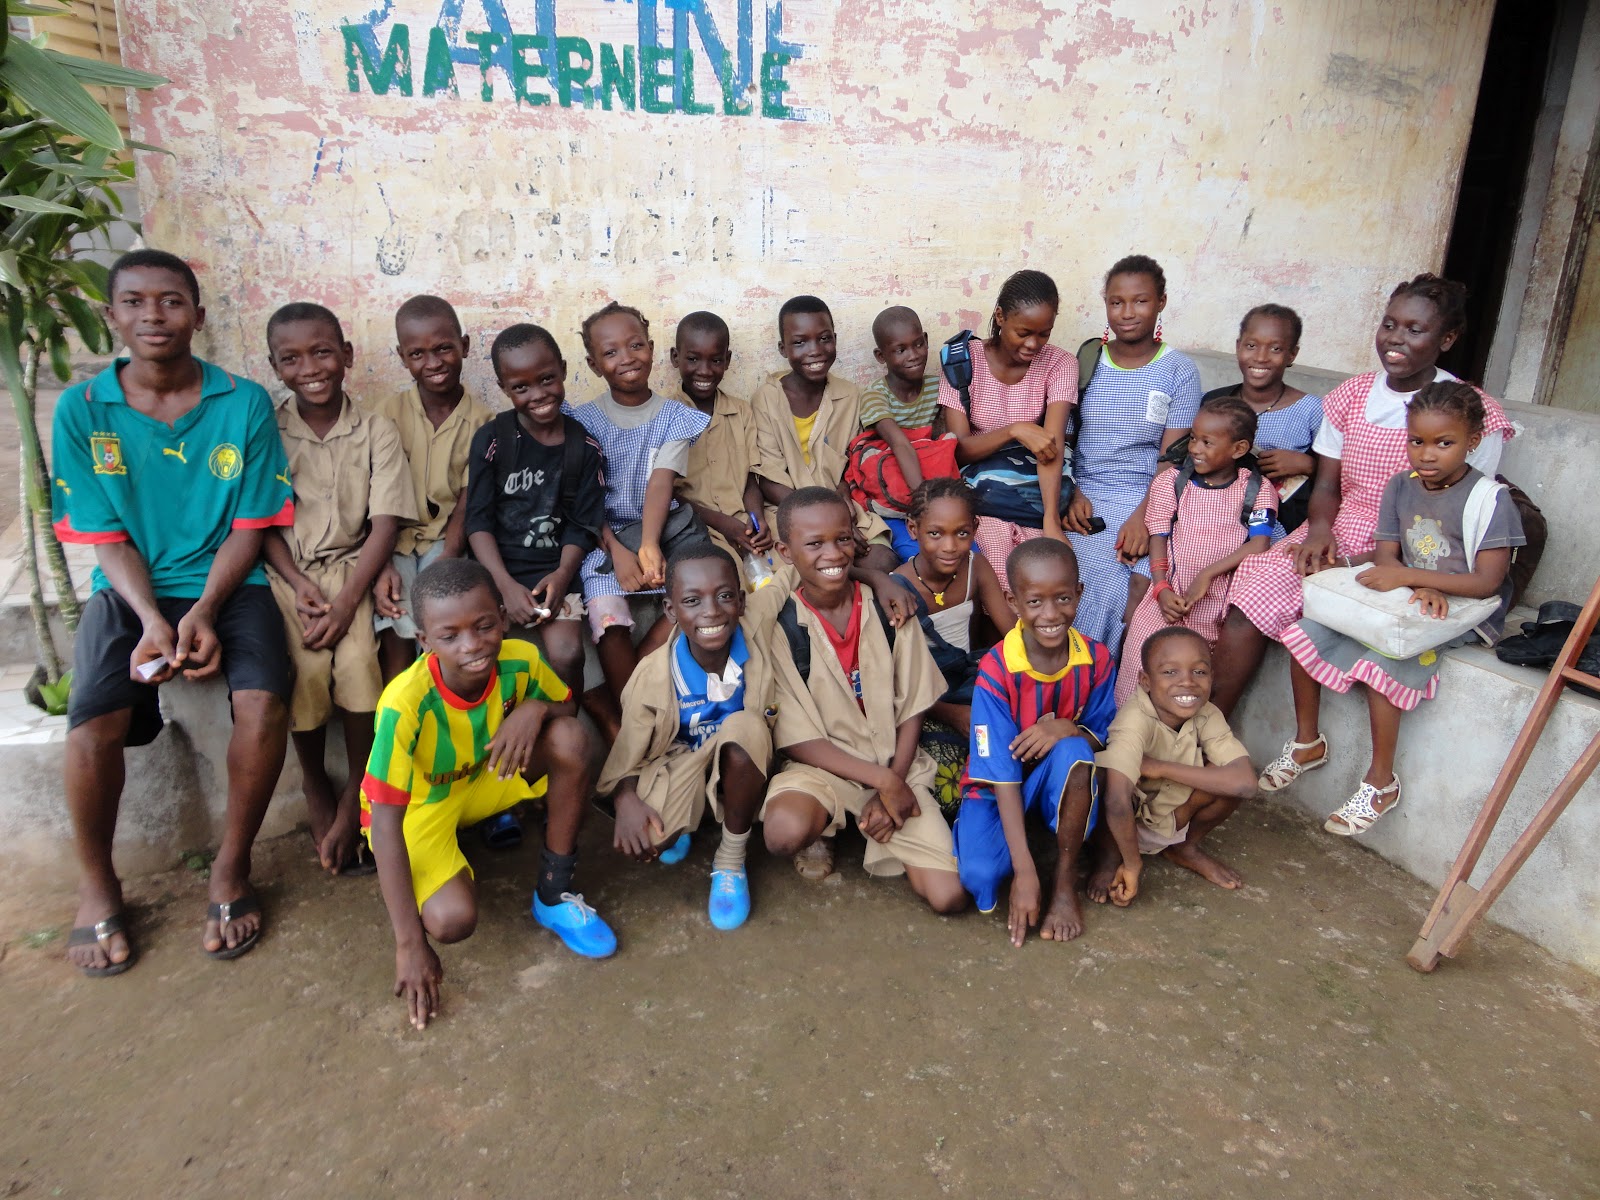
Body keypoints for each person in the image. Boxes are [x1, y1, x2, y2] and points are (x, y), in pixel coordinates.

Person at [52, 249, 294, 974]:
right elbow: (106, 537)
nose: (153, 315)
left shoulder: (242, 402)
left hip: (230, 581)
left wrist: (207, 609)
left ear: (198, 314)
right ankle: (98, 884)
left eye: (171, 301)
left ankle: (230, 867)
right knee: (92, 719)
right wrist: (154, 619)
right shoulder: (82, 408)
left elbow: (252, 524)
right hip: (131, 588)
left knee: (264, 701)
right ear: (111, 315)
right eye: (134, 301)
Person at [1210, 273, 1517, 716]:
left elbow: (1466, 508)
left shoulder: (1469, 411)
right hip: (1342, 528)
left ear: (1447, 338)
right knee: (1255, 581)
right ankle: (1212, 729)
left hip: (1420, 546)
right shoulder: (1352, 395)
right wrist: (1317, 531)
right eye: (1390, 324)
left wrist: (1377, 559)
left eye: (1416, 330)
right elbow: (1329, 485)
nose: (1396, 339)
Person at [1262, 383, 1526, 834]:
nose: (1427, 454)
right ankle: (1308, 741)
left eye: (1445, 443)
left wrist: (1413, 580)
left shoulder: (1490, 500)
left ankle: (1381, 782)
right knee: (1306, 630)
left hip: (1465, 608)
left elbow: (1488, 582)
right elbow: (1387, 555)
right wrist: (1408, 581)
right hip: (1410, 595)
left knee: (1386, 659)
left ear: (1473, 442)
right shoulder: (1401, 486)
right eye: (1416, 441)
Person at [362, 559, 614, 1031]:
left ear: (502, 617)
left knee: (569, 738)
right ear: (425, 643)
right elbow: (385, 819)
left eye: (483, 626)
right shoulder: (405, 702)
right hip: (423, 807)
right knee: (452, 921)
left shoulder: (521, 659)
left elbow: (567, 705)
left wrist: (537, 708)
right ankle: (447, 862)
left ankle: (554, 893)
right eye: (450, 636)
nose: (473, 645)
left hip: (485, 777)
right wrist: (408, 943)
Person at [754, 488, 968, 914]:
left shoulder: (892, 607)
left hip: (895, 761)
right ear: (785, 551)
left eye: (843, 539)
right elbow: (796, 738)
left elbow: (914, 706)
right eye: (814, 544)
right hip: (824, 768)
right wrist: (885, 785)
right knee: (783, 831)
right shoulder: (778, 624)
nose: (832, 553)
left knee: (949, 898)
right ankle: (824, 828)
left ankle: (877, 819)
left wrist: (895, 780)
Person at [261, 302, 417, 876]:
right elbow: (262, 523)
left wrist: (351, 597)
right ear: (275, 366)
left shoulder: (375, 430)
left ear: (347, 356)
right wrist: (301, 584)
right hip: (289, 573)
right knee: (302, 669)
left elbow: (384, 524)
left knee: (358, 668)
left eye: (323, 351)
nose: (311, 367)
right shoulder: (268, 432)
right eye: (292, 358)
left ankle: (357, 793)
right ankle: (313, 782)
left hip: (354, 571)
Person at [600, 543, 776, 930]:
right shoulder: (653, 677)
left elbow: (800, 575)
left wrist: (878, 578)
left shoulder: (758, 638)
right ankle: (688, 817)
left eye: (725, 596)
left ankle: (730, 861)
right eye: (692, 600)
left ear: (742, 602)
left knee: (745, 727)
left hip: (745, 762)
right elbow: (630, 752)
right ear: (670, 610)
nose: (711, 611)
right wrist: (626, 798)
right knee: (647, 837)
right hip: (687, 764)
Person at [951, 539, 1117, 946]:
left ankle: (1064, 883)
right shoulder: (997, 669)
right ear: (1013, 601)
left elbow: (1101, 731)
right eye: (1035, 601)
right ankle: (1032, 847)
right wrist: (1025, 874)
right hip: (995, 789)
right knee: (979, 877)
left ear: (1079, 593)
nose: (1050, 614)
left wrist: (1067, 727)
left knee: (1076, 751)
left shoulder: (1095, 659)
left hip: (1052, 779)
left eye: (1063, 598)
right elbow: (1001, 775)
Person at [567, 302, 711, 732]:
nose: (627, 358)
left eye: (635, 346)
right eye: (611, 353)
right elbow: (582, 499)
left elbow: (660, 484)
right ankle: (633, 714)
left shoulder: (674, 417)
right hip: (603, 533)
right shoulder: (581, 422)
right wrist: (619, 550)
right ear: (594, 365)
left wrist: (648, 544)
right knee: (606, 606)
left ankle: (651, 658)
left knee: (698, 583)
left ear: (651, 347)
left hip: (664, 525)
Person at [1064, 254, 1203, 650]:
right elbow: (1066, 439)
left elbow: (1173, 459)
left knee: (1128, 586)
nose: (1127, 313)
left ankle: (1105, 686)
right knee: (1081, 582)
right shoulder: (1086, 362)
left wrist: (1145, 517)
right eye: (1116, 302)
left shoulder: (1178, 370)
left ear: (1161, 302)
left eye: (1140, 301)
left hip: (1149, 496)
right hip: (1085, 496)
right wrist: (1071, 492)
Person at [464, 323, 605, 694]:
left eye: (546, 379)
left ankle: (565, 716)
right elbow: (477, 521)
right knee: (485, 652)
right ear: (504, 389)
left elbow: (581, 525)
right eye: (520, 388)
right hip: (496, 569)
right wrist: (504, 586)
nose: (538, 395)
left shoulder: (584, 447)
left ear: (561, 368)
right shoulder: (492, 439)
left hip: (554, 569)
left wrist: (561, 576)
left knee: (568, 652)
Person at [1115, 396, 1278, 703]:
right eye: (1193, 438)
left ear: (1238, 449)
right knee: (1139, 673)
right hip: (1164, 602)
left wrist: (1207, 575)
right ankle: (1125, 736)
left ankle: (1175, 745)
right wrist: (1161, 587)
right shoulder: (1172, 483)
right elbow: (1158, 538)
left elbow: (1259, 544)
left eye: (1207, 442)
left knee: (1188, 685)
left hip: (1212, 610)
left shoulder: (1256, 490)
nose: (1195, 448)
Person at [366, 295, 495, 680]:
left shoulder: (483, 422)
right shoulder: (386, 415)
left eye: (443, 349)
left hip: (445, 539)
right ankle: (397, 722)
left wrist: (450, 556)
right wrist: (381, 562)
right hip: (392, 539)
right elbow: (372, 495)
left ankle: (441, 712)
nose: (433, 363)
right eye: (417, 354)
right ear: (403, 358)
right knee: (394, 624)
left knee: (441, 628)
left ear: (465, 346)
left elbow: (467, 500)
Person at [1090, 627, 1257, 906]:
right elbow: (1117, 801)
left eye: (1200, 672)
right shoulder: (1135, 720)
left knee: (1226, 775)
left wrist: (1161, 768)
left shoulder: (1207, 713)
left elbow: (1246, 784)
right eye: (1170, 672)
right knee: (1108, 778)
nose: (1188, 682)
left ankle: (1183, 847)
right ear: (1145, 680)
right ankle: (1109, 859)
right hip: (1123, 823)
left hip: (1173, 812)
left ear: (1211, 677)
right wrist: (1132, 865)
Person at [937, 270, 1077, 591]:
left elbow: (1049, 447)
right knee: (1001, 580)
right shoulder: (963, 362)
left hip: (1035, 492)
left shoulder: (1060, 364)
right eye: (1023, 332)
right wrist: (1015, 430)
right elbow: (958, 449)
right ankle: (1007, 642)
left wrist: (1051, 522)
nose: (1033, 344)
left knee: (1048, 579)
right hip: (982, 496)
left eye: (1044, 334)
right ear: (1000, 316)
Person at [889, 478, 1012, 819]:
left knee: (1003, 746)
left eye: (962, 533)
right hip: (924, 704)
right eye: (935, 533)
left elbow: (1015, 636)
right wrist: (950, 713)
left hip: (968, 685)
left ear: (975, 528)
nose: (950, 546)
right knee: (944, 783)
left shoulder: (976, 567)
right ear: (913, 530)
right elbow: (898, 682)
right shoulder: (898, 587)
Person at [752, 295, 899, 573]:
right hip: (787, 511)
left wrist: (841, 514)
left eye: (824, 338)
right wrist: (826, 521)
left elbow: (852, 466)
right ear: (783, 349)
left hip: (843, 507)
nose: (815, 350)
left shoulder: (849, 396)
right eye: (800, 342)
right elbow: (768, 482)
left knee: (881, 559)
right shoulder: (766, 400)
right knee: (793, 572)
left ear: (835, 338)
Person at [847, 306, 959, 561]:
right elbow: (899, 443)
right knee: (915, 553)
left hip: (934, 484)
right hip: (896, 494)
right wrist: (924, 504)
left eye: (918, 344)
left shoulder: (938, 388)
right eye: (900, 350)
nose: (913, 355)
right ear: (881, 356)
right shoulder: (876, 395)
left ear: (927, 340)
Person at [1202, 304, 1324, 535]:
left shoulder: (1312, 410)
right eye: (1251, 346)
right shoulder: (1214, 402)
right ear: (1238, 347)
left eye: (1275, 349)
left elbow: (1338, 476)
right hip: (1210, 518)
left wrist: (1309, 465)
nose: (1260, 357)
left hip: (1277, 527)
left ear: (1292, 354)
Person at [669, 310, 773, 566]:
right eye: (693, 359)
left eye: (715, 360)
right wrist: (723, 523)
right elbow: (669, 494)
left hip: (743, 520)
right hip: (697, 525)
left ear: (726, 360)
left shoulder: (742, 412)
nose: (704, 371)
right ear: (675, 357)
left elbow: (750, 480)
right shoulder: (666, 416)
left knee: (786, 561)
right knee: (722, 572)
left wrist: (757, 519)